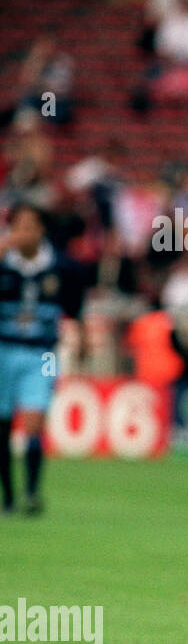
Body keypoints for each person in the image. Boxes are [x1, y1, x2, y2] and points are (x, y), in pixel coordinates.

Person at [0, 202, 86, 515]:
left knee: (35, 421)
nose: (24, 233)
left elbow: (76, 310)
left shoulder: (63, 267)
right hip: (3, 350)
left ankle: (32, 492)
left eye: (30, 227)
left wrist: (82, 340)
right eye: (18, 226)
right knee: (3, 425)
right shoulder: (4, 262)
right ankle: (8, 496)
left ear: (41, 230)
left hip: (44, 353)